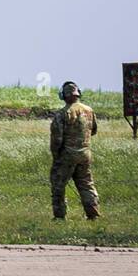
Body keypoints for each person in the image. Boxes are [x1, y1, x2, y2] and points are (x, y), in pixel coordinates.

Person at [49, 80, 100, 220]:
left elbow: (57, 140)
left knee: (58, 186)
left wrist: (56, 156)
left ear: (64, 96)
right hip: (85, 154)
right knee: (86, 184)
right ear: (78, 94)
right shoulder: (89, 110)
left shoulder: (62, 114)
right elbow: (93, 130)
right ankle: (93, 214)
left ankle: (60, 216)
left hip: (67, 156)